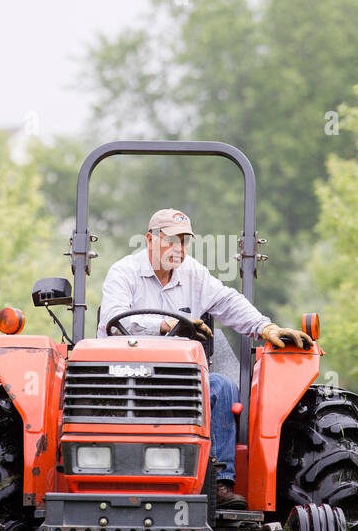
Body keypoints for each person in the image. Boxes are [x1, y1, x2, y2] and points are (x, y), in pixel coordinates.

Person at [97, 209, 313, 508]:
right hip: (126, 375)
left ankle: (220, 482)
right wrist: (166, 324)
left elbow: (228, 302)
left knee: (222, 387)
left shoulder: (193, 274)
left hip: (179, 380)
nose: (179, 249)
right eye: (171, 240)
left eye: (184, 242)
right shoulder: (124, 272)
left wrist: (266, 327)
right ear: (150, 239)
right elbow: (112, 318)